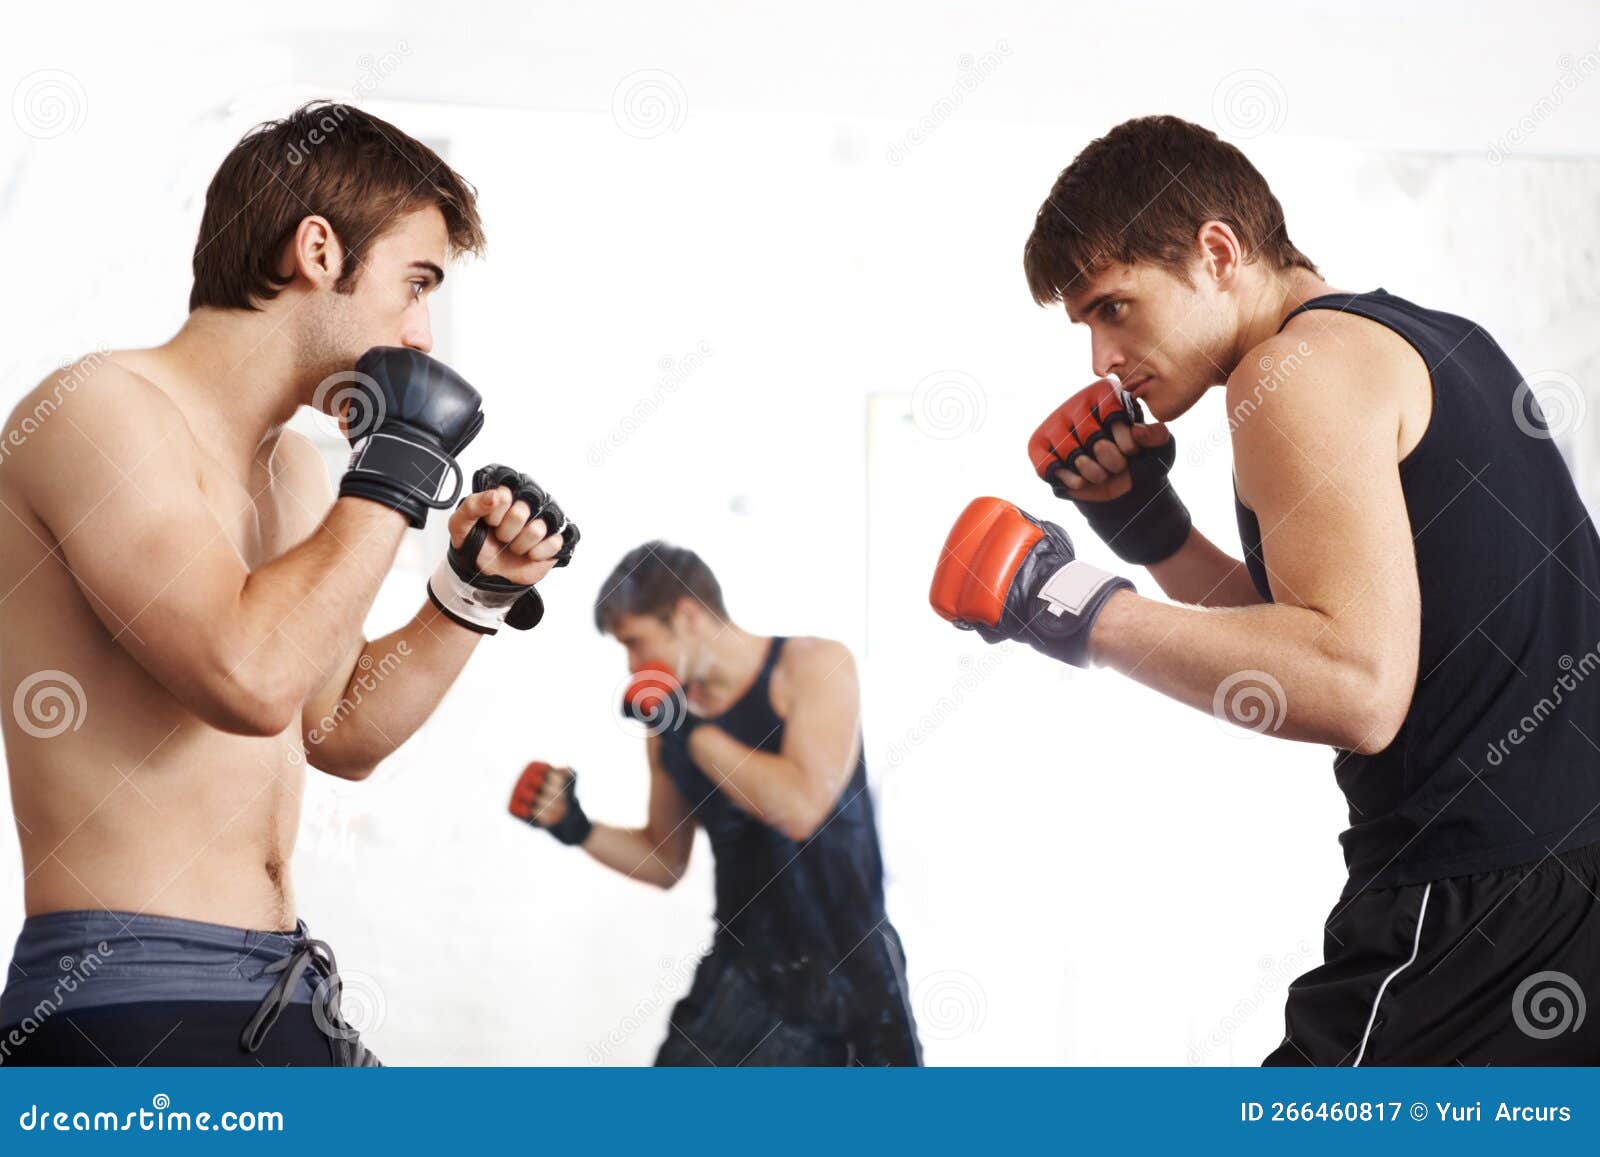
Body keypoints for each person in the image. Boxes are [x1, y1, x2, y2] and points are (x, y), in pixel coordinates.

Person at [931, 115, 1600, 1065]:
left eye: (1116, 307)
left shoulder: (1288, 372)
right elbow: (1335, 624)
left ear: (1216, 252)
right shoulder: (1443, 342)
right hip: (1560, 892)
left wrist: (1068, 603)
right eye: (1086, 326)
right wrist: (1151, 530)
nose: (1100, 360)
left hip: (1472, 908)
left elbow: (1357, 687)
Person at [0, 103, 576, 1065]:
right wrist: (397, 465)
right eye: (416, 282)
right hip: (131, 1014)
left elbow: (336, 729)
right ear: (318, 249)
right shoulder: (97, 411)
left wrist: (469, 593)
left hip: (282, 995)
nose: (423, 332)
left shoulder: (298, 472)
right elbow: (245, 677)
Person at [509, 542, 921, 1065]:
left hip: (854, 971)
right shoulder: (671, 726)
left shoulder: (813, 666)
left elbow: (800, 807)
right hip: (745, 974)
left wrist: (689, 730)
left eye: (637, 643)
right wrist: (576, 826)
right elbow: (663, 860)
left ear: (686, 616)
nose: (634, 666)